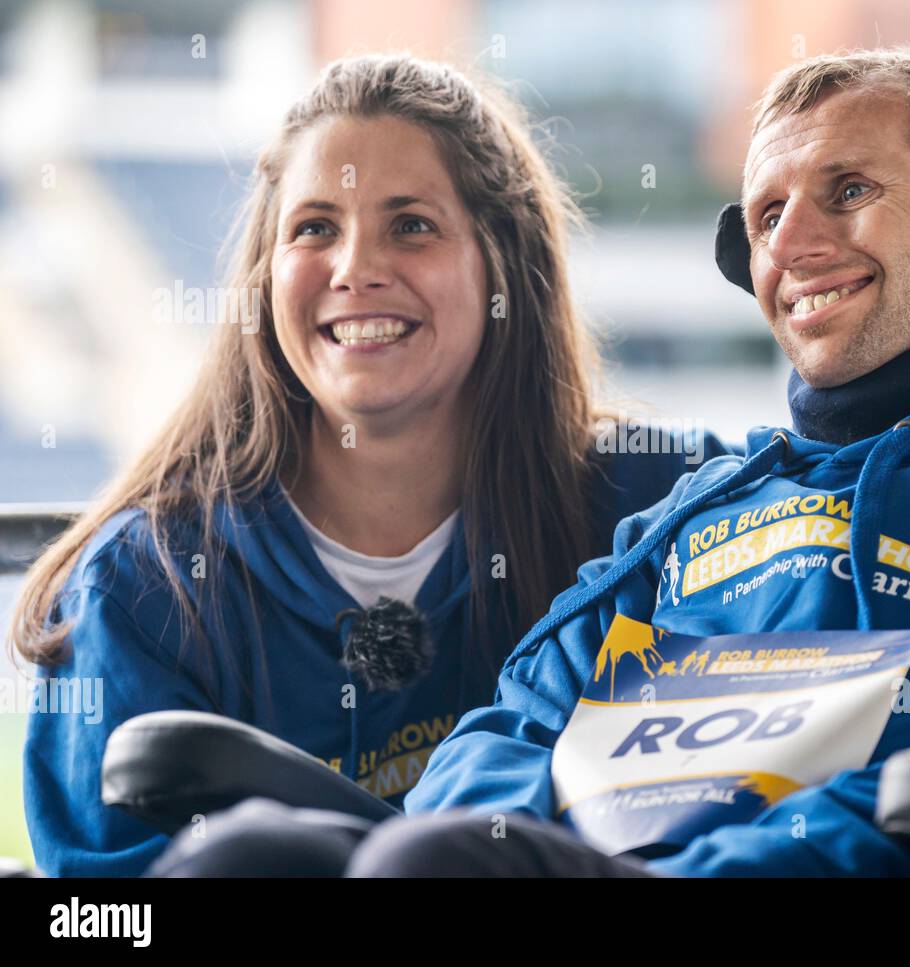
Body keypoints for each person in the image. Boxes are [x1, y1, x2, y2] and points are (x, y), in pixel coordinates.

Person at [149, 46, 910, 878]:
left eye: (849, 192)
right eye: (767, 211)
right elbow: (514, 727)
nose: (793, 245)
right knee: (238, 859)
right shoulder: (696, 515)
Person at [11, 54, 727, 877]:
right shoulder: (142, 587)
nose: (356, 268)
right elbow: (106, 912)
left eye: (411, 225)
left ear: (503, 264)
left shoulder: (666, 506)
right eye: (315, 227)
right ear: (265, 275)